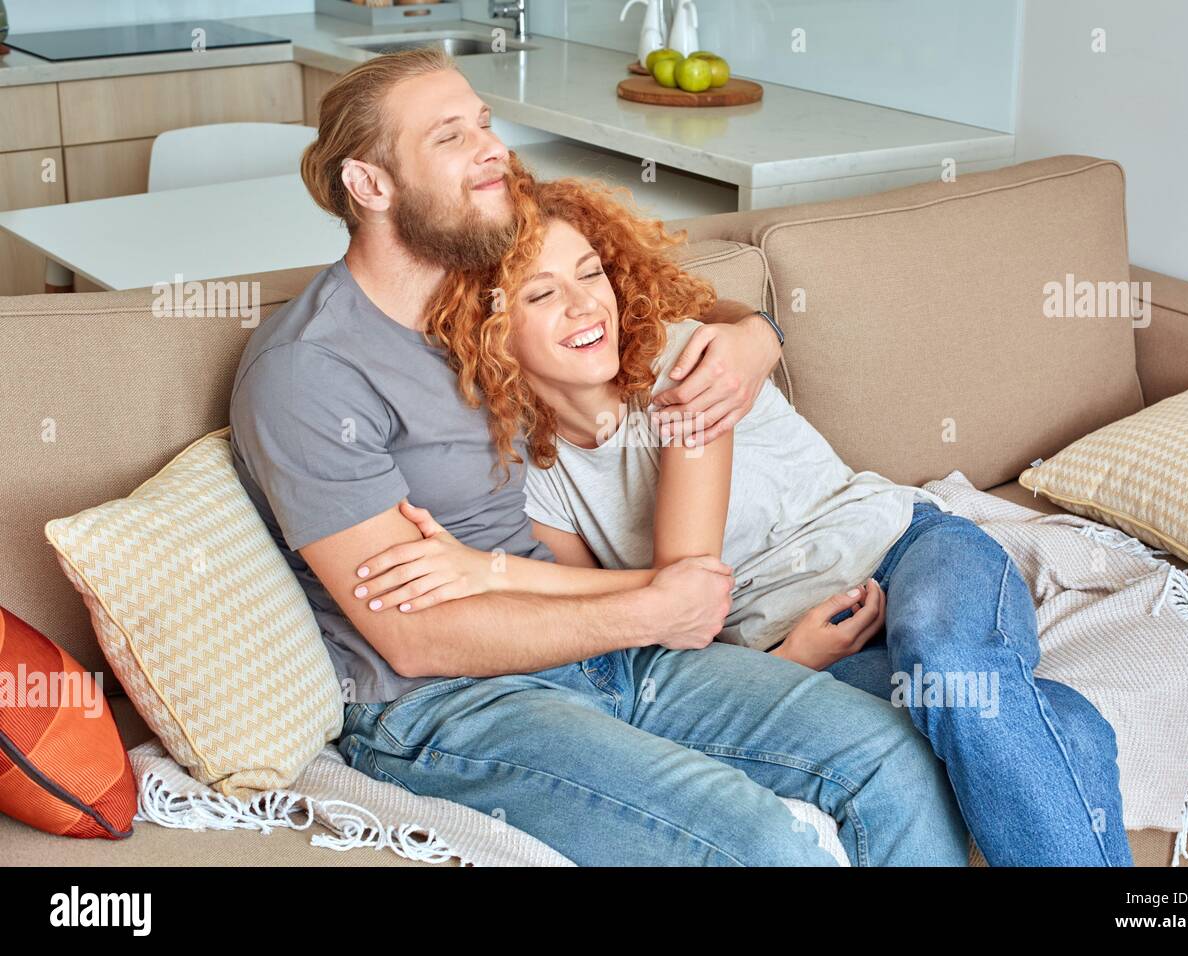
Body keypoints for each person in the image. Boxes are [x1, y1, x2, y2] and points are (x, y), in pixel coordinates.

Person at [228, 47, 969, 866]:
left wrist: (758, 335)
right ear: (370, 185)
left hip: (597, 648)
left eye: (484, 124)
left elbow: (659, 300)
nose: (492, 150)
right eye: (451, 137)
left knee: (891, 761)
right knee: (762, 844)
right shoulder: (309, 372)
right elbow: (415, 640)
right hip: (450, 707)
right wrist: (654, 608)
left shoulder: (490, 304)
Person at [364, 168, 1133, 867]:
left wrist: (500, 573)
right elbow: (628, 615)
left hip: (905, 551)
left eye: (591, 273)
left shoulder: (685, 364)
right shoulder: (530, 475)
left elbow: (684, 583)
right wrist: (786, 662)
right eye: (541, 294)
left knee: (949, 662)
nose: (583, 305)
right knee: (1024, 722)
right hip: (803, 636)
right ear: (491, 328)